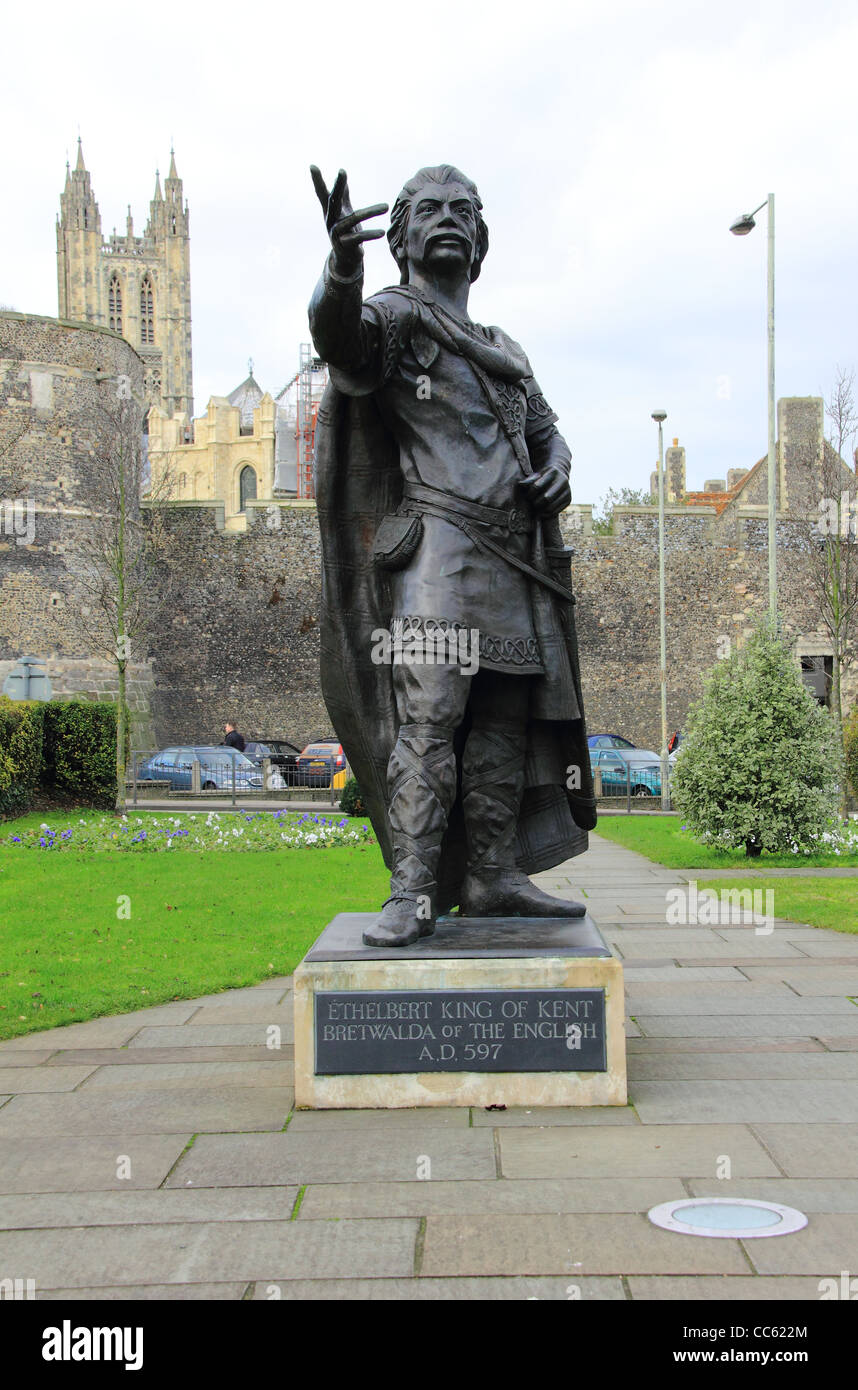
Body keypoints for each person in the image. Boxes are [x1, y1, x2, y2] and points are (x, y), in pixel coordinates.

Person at [309, 164, 596, 947]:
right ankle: (411, 892)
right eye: (429, 210)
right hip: (438, 554)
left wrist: (558, 471)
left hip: (513, 565)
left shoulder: (504, 347)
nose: (448, 219)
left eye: (463, 210)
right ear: (400, 236)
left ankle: (494, 875)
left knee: (503, 727)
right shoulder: (396, 322)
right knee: (429, 725)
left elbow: (548, 433)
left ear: (480, 241)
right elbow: (339, 341)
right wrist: (341, 267)